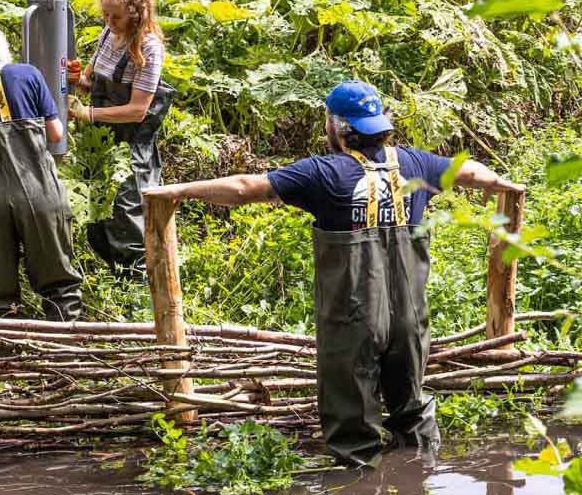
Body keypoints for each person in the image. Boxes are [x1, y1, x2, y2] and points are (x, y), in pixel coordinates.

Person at [144, 80, 524, 466]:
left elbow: (245, 188)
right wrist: (501, 183)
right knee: (411, 410)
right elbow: (468, 171)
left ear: (337, 126)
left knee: (352, 427)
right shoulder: (416, 164)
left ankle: (357, 493)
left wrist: (179, 190)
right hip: (409, 318)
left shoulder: (323, 173)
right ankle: (417, 482)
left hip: (353, 318)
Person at [0, 18, 82, 322]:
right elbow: (56, 134)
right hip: (37, 190)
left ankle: (3, 348)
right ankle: (66, 346)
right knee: (59, 283)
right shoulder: (26, 74)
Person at [66, 0, 175, 285]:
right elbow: (90, 81)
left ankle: (138, 295)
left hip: (131, 146)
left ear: (134, 14)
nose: (109, 22)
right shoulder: (107, 35)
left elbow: (138, 110)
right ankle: (117, 287)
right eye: (104, 15)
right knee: (97, 219)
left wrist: (87, 113)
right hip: (100, 141)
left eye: (115, 17)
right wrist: (76, 79)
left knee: (126, 218)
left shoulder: (149, 48)